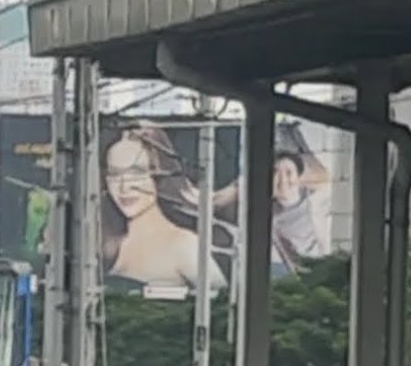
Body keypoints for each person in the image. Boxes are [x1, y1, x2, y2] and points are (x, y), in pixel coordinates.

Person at [99, 121, 236, 291]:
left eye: (137, 172)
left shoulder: (185, 246)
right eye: (114, 174)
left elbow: (219, 299)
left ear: (160, 175)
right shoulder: (113, 244)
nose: (124, 187)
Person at [270, 151, 323, 275]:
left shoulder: (313, 205)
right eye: (276, 172)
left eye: (289, 173)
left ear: (299, 178)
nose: (282, 179)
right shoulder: (266, 210)